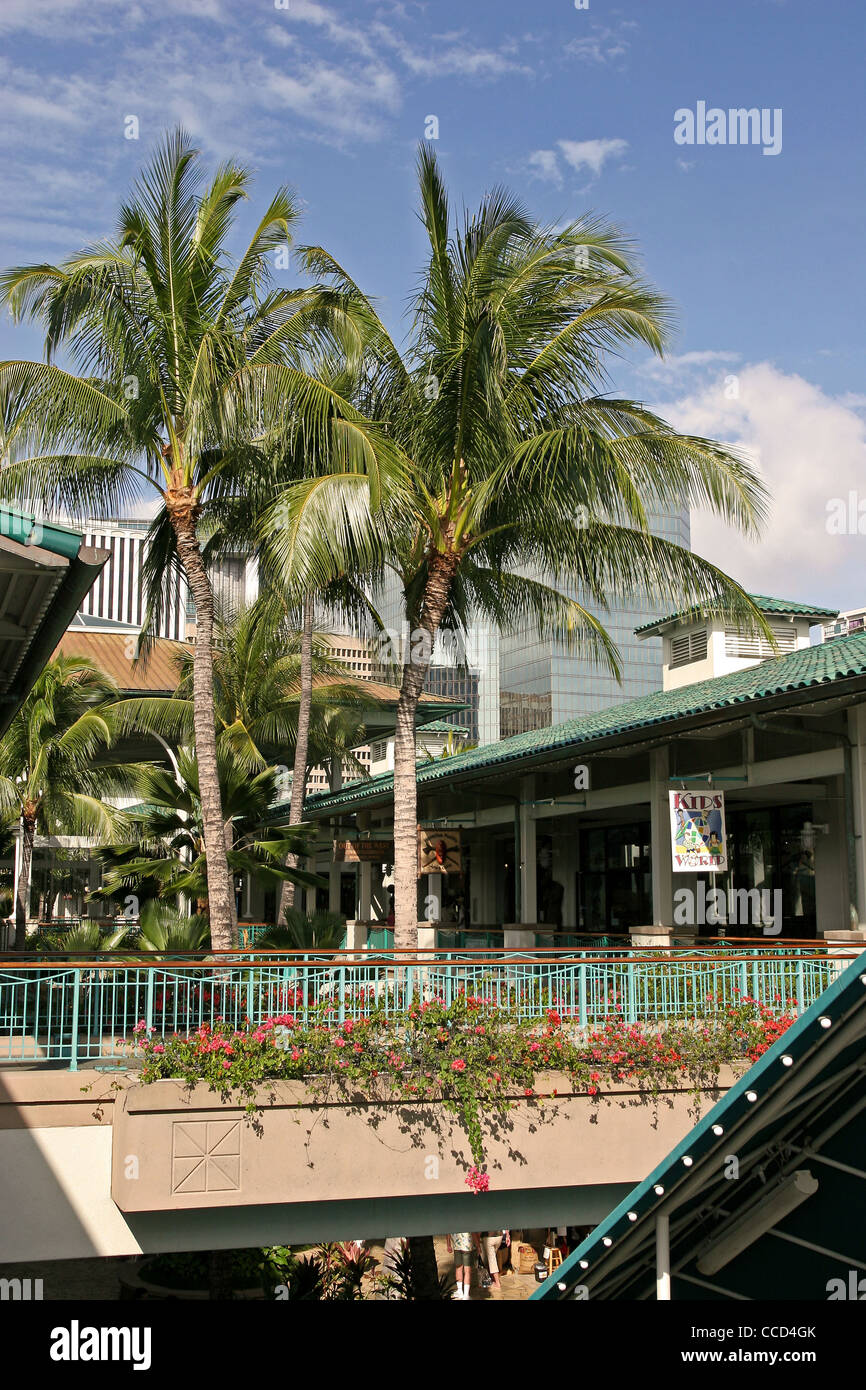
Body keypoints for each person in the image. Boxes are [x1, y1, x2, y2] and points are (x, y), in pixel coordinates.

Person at [446, 1232, 480, 1299]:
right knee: (467, 1271)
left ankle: (460, 1291)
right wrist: (478, 1245)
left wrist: (448, 1244)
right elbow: (473, 1232)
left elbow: (448, 1231)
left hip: (457, 1245)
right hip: (467, 1246)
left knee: (458, 1268)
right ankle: (466, 1295)